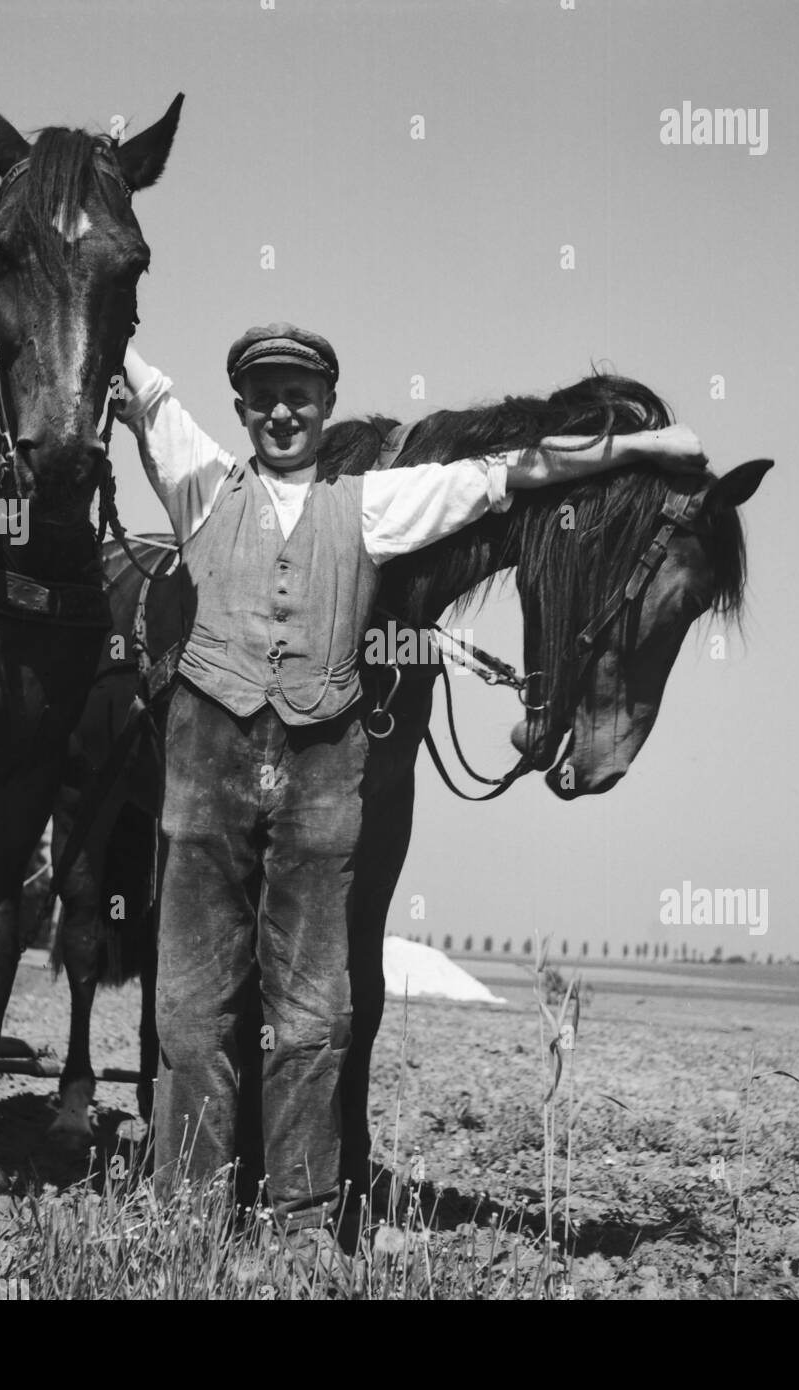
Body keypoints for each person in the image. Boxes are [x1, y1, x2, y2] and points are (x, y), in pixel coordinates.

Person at [117, 323, 705, 1234]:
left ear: (323, 407)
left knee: (315, 1008)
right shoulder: (201, 483)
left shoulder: (374, 505)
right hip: (207, 778)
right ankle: (188, 1214)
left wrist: (642, 446)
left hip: (317, 785)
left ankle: (306, 1222)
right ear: (240, 411)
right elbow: (142, 387)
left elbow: (512, 472)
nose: (281, 411)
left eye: (300, 396)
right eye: (264, 396)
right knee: (194, 1005)